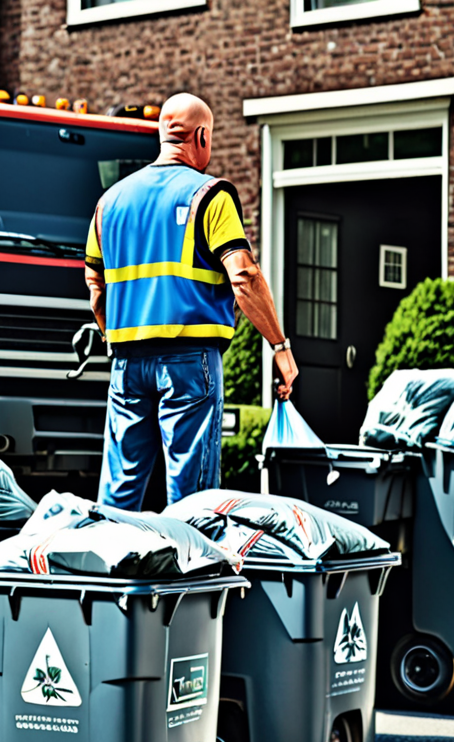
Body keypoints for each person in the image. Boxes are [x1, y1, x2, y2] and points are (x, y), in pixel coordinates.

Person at [85, 92, 297, 511]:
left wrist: (116, 336)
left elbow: (95, 289)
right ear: (201, 136)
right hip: (189, 360)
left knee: (119, 491)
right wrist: (280, 346)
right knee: (192, 496)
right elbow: (244, 277)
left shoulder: (109, 202)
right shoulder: (210, 195)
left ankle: (107, 551)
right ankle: (190, 554)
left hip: (126, 362)